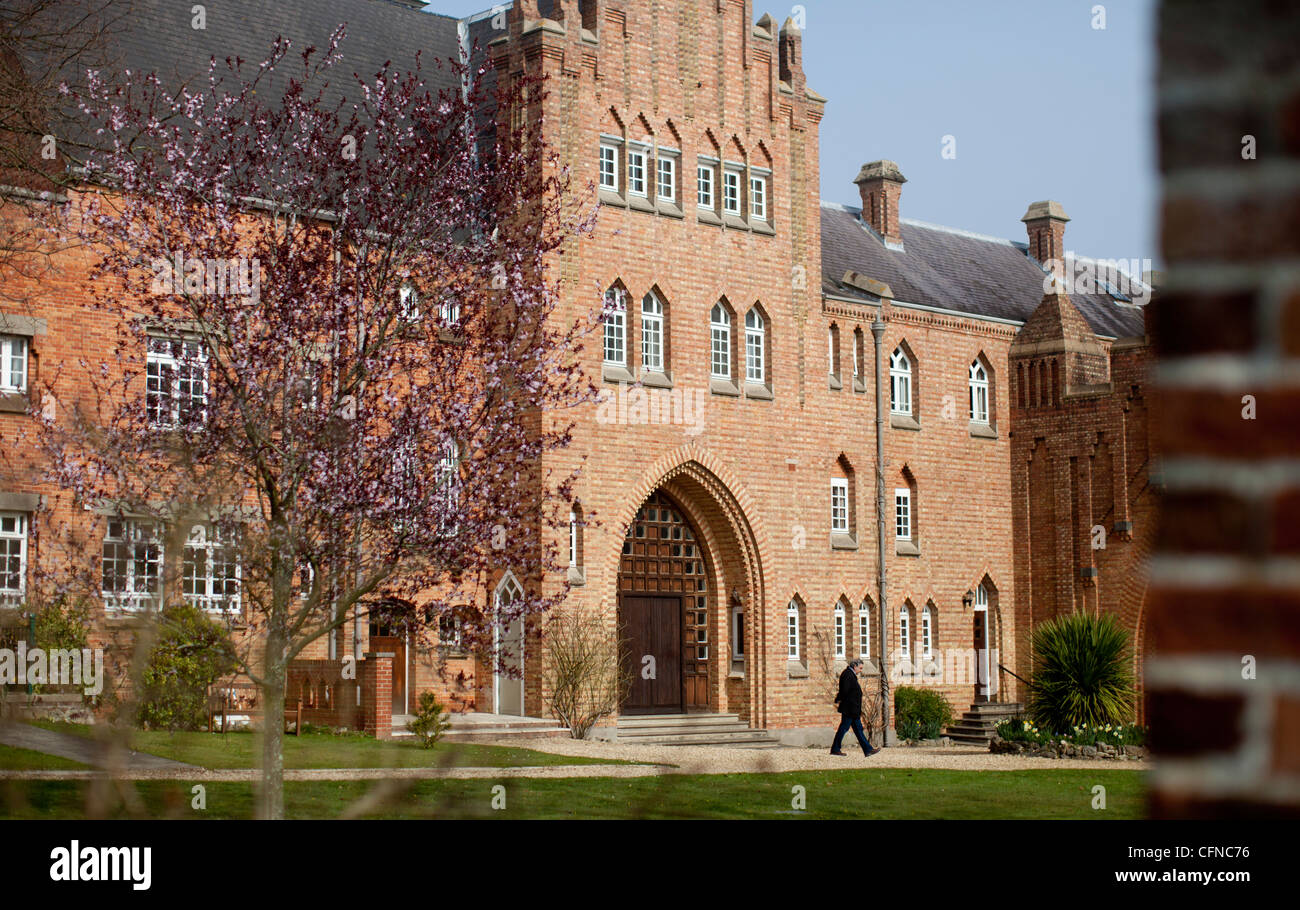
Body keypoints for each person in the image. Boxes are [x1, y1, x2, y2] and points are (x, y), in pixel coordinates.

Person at [831, 658, 877, 756]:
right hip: (850, 709)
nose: (861, 670)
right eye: (860, 668)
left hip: (852, 709)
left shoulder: (849, 674)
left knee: (857, 729)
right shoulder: (848, 675)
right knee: (844, 728)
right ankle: (835, 748)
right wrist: (840, 699)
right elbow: (845, 691)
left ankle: (868, 749)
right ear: (854, 666)